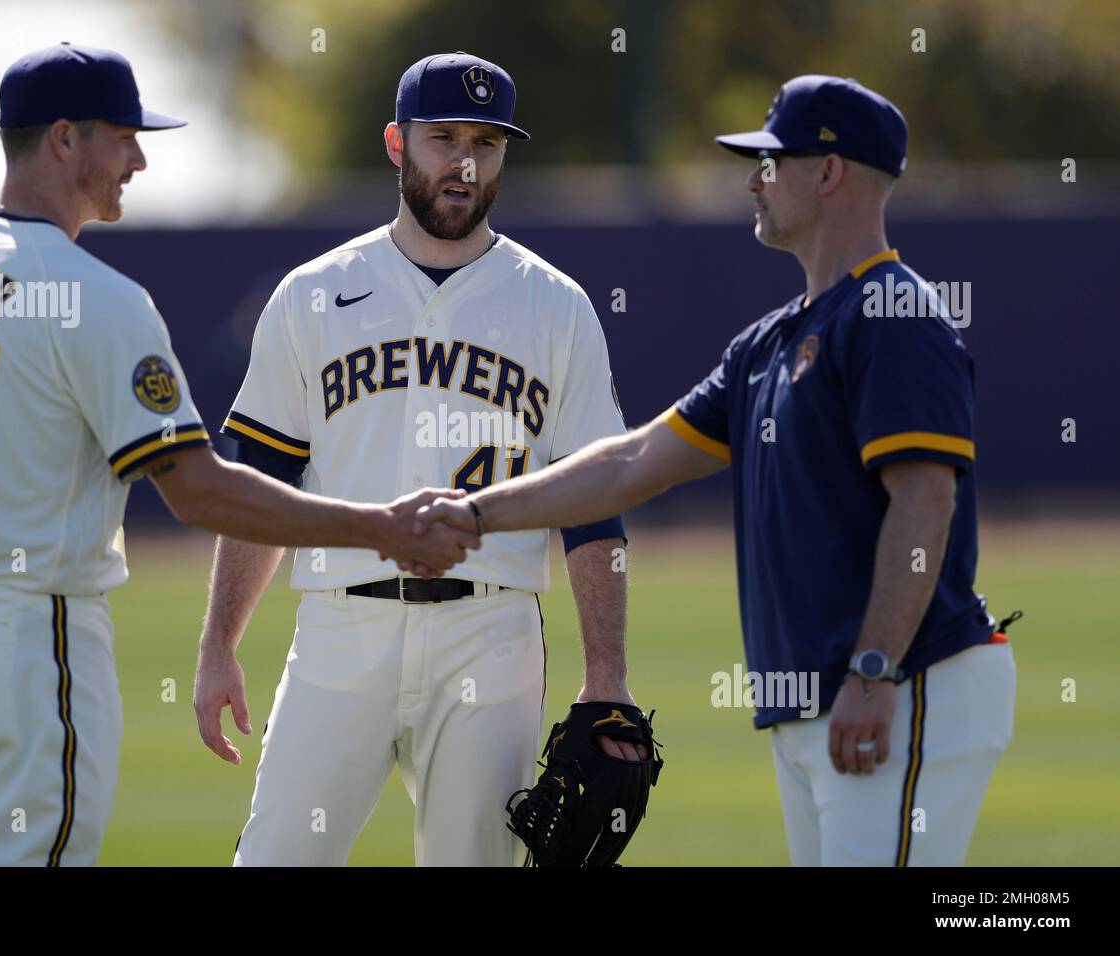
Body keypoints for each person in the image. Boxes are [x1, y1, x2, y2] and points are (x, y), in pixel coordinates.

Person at [0, 43, 475, 867]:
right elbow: (198, 492)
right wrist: (380, 526)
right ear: (64, 139)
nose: (138, 157)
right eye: (123, 135)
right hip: (32, 641)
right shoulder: (97, 299)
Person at [413, 75, 1016, 867]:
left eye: (771, 162)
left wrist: (874, 670)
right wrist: (480, 512)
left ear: (829, 172)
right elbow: (633, 462)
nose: (751, 181)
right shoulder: (768, 343)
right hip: (822, 696)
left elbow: (924, 503)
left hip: (904, 678)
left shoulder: (892, 316)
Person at [195, 52, 643, 867]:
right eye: (445, 138)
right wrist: (219, 642)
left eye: (487, 142)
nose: (466, 163)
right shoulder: (313, 293)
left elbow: (594, 502)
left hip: (492, 630)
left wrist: (605, 674)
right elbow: (261, 484)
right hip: (341, 624)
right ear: (398, 144)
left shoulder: (556, 305)